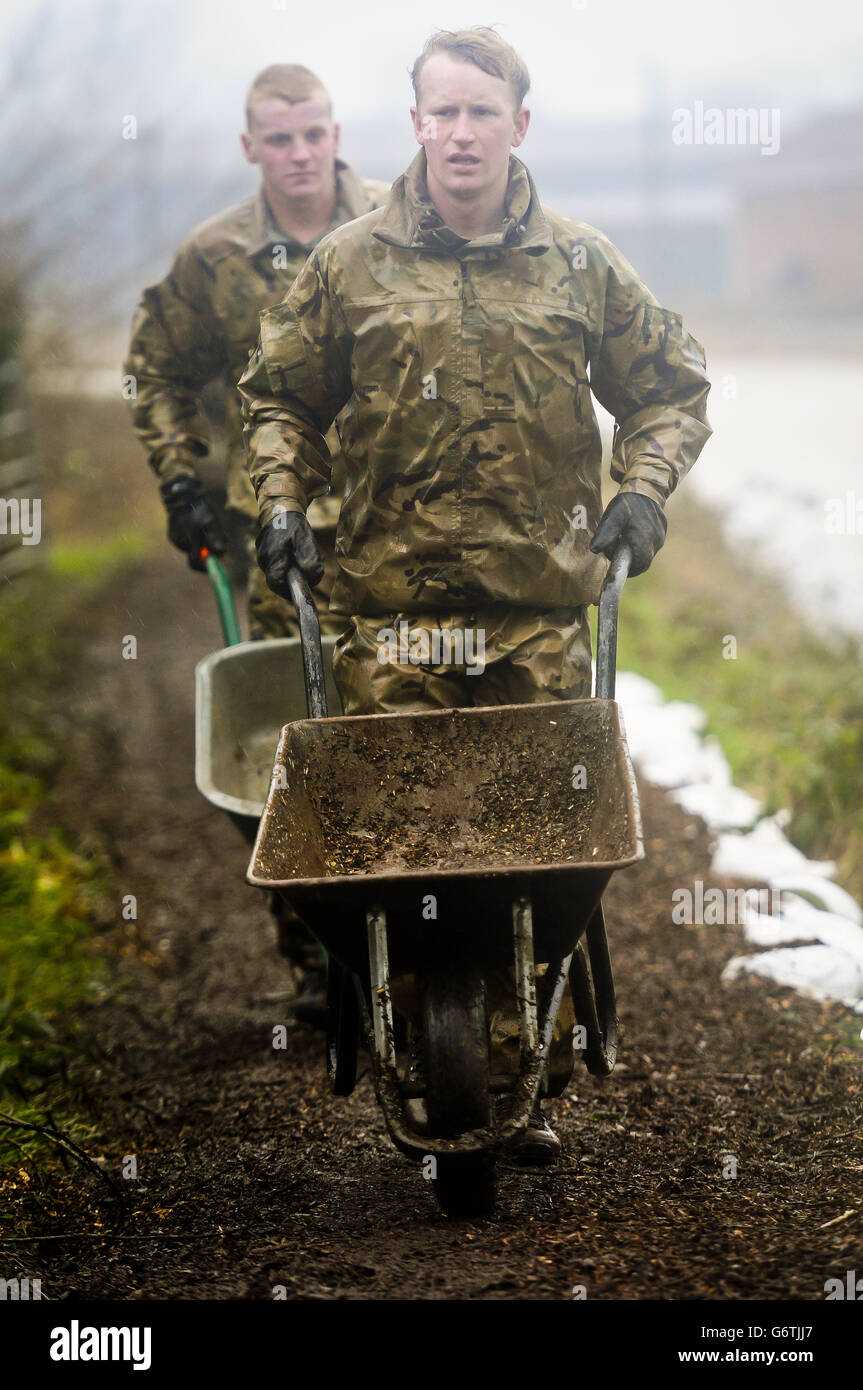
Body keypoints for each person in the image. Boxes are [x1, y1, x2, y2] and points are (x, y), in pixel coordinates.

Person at [239, 29, 712, 1160]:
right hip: (387, 619)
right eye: (440, 113)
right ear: (414, 126)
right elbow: (279, 403)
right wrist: (282, 503)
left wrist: (639, 493)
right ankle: (413, 1023)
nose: (460, 133)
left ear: (517, 126)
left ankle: (528, 1057)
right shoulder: (346, 267)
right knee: (397, 852)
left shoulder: (579, 266)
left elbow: (669, 390)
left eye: (480, 112)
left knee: (541, 854)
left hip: (537, 619)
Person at [124, 62, 389, 641]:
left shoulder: (397, 228)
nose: (300, 154)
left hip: (400, 518)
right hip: (283, 528)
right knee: (291, 705)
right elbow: (157, 373)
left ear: (335, 137)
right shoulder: (214, 256)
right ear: (250, 147)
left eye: (313, 135)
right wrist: (180, 483)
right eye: (279, 139)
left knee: (410, 711)